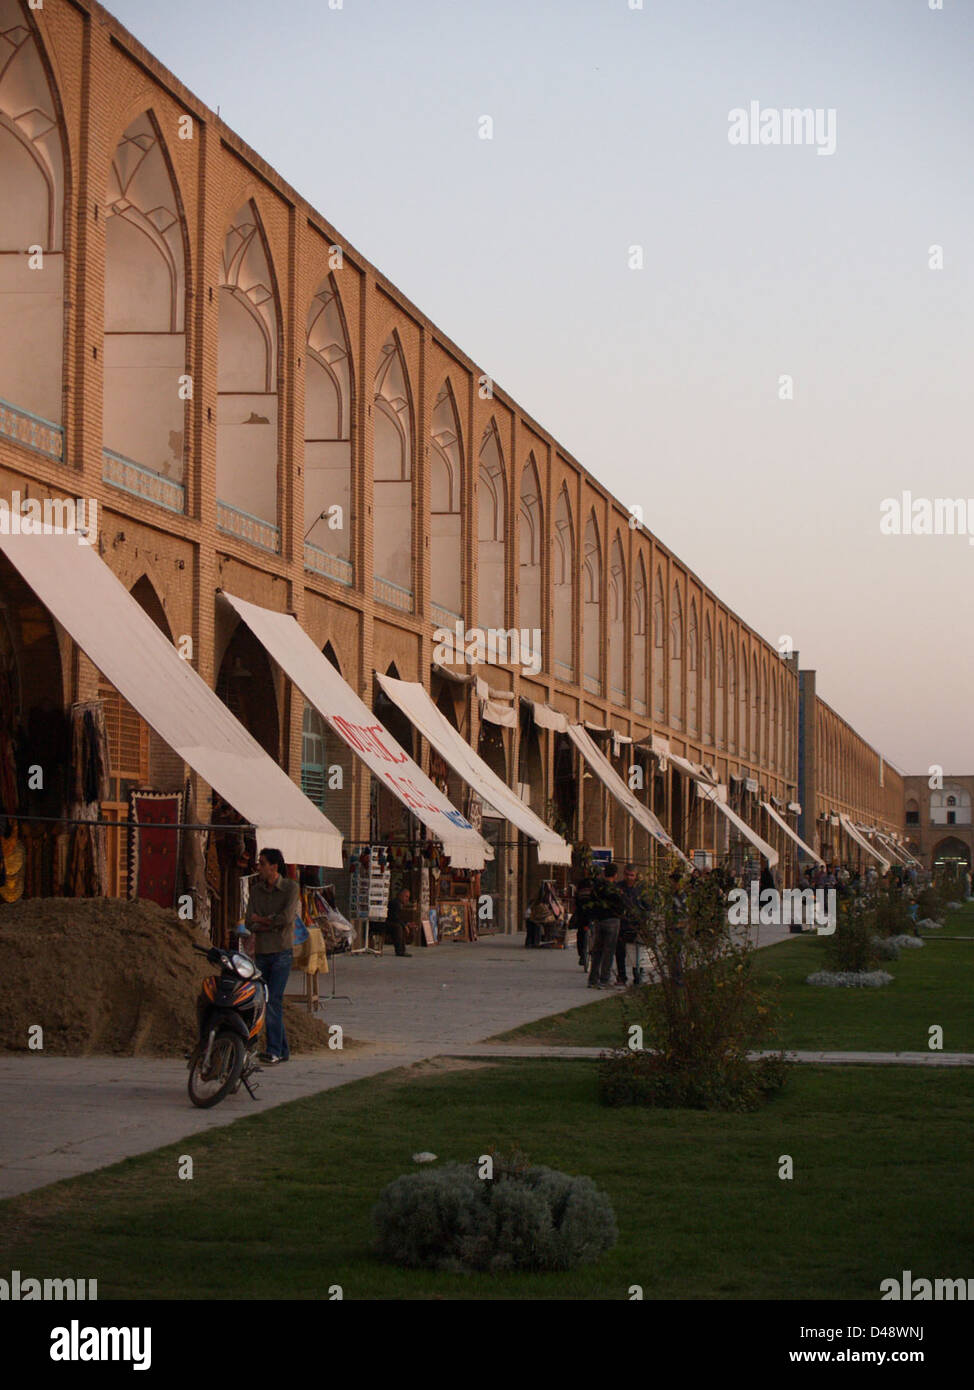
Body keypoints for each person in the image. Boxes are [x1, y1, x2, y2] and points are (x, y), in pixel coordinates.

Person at [246, 847, 300, 1065]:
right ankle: (283, 1049)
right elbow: (250, 921)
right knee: (265, 1000)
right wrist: (267, 921)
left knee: (273, 999)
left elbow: (286, 919)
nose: (258, 867)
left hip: (281, 952)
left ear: (274, 866)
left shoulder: (290, 888)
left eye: (262, 863)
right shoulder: (257, 891)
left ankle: (274, 1050)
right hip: (262, 952)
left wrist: (264, 920)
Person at [587, 862, 626, 990]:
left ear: (604, 873)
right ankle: (604, 980)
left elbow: (591, 902)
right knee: (608, 952)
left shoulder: (597, 887)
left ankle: (593, 979)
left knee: (597, 951)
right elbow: (621, 905)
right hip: (612, 921)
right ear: (615, 875)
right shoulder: (614, 889)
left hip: (599, 921)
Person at [617, 864, 645, 985]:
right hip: (622, 924)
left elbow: (647, 906)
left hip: (637, 924)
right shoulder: (618, 887)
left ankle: (638, 975)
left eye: (632, 875)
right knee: (620, 952)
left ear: (636, 875)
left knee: (637, 952)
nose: (629, 877)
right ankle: (622, 976)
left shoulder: (641, 889)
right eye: (627, 874)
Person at [384, 885, 413, 957]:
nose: (407, 899)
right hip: (384, 923)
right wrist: (404, 925)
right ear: (400, 895)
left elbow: (398, 918)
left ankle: (402, 950)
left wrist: (406, 923)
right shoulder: (395, 903)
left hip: (390, 922)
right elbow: (394, 918)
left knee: (400, 926)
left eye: (408, 897)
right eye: (406, 896)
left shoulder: (399, 904)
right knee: (398, 928)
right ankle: (400, 951)